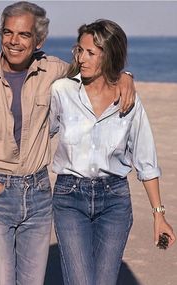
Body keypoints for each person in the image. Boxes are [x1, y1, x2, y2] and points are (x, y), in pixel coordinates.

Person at [0, 1, 135, 284]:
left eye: (23, 34)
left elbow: (95, 71)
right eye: (8, 32)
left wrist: (124, 76)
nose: (14, 41)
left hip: (38, 195)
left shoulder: (56, 72)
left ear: (39, 40)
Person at [50, 19, 176, 285]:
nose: (81, 58)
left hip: (115, 201)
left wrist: (159, 214)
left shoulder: (129, 100)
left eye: (90, 53)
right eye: (79, 50)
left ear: (109, 56)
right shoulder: (62, 91)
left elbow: (146, 160)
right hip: (69, 198)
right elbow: (37, 134)